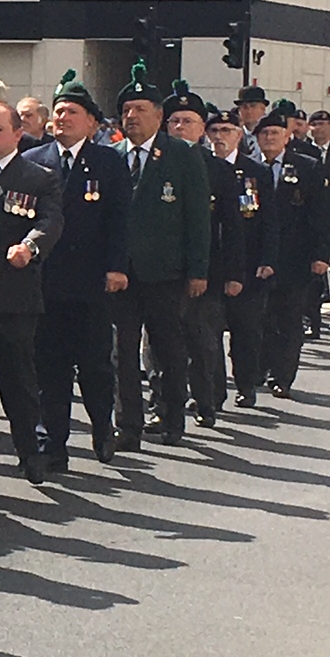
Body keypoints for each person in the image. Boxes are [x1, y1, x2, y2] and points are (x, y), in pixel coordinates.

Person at [25, 71, 131, 467]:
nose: (63, 118)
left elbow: (120, 219)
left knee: (94, 367)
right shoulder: (34, 160)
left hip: (90, 284)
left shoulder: (107, 161)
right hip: (46, 283)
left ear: (91, 121)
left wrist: (117, 267)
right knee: (48, 368)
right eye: (58, 112)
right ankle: (53, 443)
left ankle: (103, 429)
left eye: (72, 112)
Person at [0, 100, 63, 484]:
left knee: (18, 383)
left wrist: (31, 246)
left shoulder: (37, 177)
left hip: (13, 298)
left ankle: (29, 451)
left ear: (18, 134)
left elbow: (50, 220)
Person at [111, 60, 209, 447]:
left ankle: (171, 418)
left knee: (168, 348)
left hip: (166, 271)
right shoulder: (112, 155)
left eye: (139, 110)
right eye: (126, 111)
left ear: (159, 115)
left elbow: (197, 217)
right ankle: (128, 425)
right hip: (121, 272)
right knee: (122, 352)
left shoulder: (182, 155)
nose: (131, 117)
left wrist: (198, 270)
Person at [164, 84, 242, 430]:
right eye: (175, 121)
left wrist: (233, 273)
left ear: (202, 129)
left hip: (206, 270)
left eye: (189, 121)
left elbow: (233, 227)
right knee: (161, 344)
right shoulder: (155, 164)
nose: (180, 127)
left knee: (202, 340)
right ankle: (164, 403)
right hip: (162, 270)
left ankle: (206, 400)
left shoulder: (220, 170)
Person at [254, 112, 330, 392]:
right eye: (264, 134)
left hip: (295, 256)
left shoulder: (307, 167)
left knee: (288, 319)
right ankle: (258, 369)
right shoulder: (249, 168)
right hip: (258, 256)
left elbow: (321, 215)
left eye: (275, 133)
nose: (269, 138)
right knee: (259, 318)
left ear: (287, 137)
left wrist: (322, 255)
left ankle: (282, 377)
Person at [207, 109, 277, 409]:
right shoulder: (201, 167)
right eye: (216, 131)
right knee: (207, 335)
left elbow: (268, 220)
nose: (220, 137)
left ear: (239, 135)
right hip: (210, 261)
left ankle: (246, 383)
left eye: (227, 130)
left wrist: (268, 259)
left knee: (245, 331)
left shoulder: (255, 172)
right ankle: (211, 391)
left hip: (248, 262)